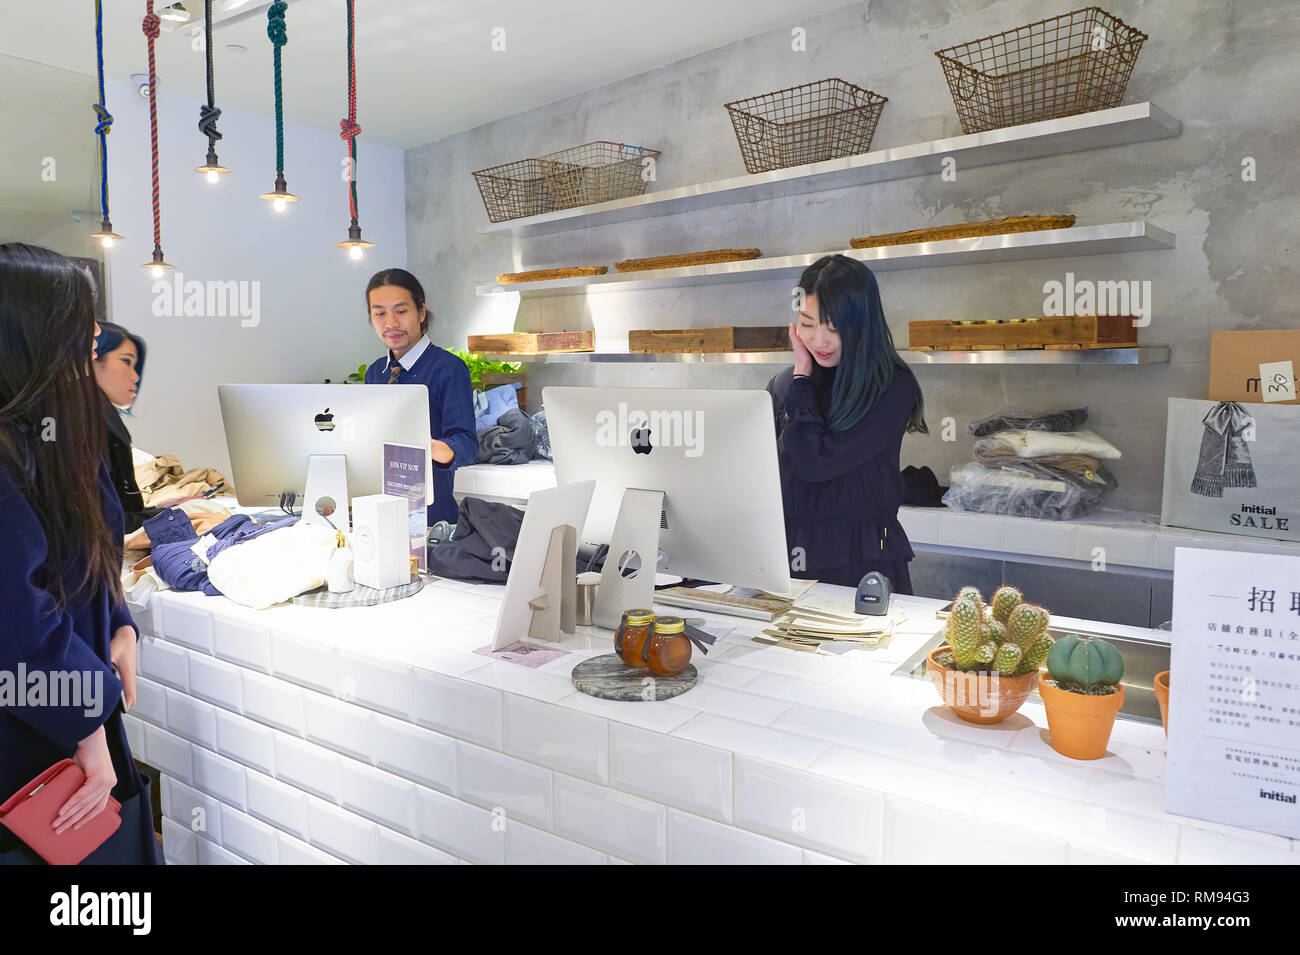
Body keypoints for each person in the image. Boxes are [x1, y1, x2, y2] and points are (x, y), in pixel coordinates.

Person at [0, 242, 161, 864]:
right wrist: (85, 723)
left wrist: (119, 620)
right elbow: (13, 615)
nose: (95, 335)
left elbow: (95, 539)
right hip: (33, 727)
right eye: (81, 320)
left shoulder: (60, 425)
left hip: (78, 698)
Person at [766, 254, 928, 593]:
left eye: (835, 327)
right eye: (807, 324)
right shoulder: (786, 384)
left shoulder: (893, 387)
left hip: (862, 564)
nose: (819, 341)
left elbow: (815, 462)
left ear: (861, 324)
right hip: (790, 558)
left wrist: (800, 381)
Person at [363, 268, 477, 526]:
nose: (390, 323)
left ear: (421, 312)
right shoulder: (375, 372)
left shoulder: (449, 369)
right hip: (381, 512)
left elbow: (467, 445)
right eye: (379, 313)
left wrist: (422, 445)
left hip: (432, 519)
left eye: (401, 311)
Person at [93, 322, 157, 534]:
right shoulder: (84, 416)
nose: (135, 376)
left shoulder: (100, 409)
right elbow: (103, 524)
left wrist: (159, 511)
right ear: (94, 356)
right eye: (125, 362)